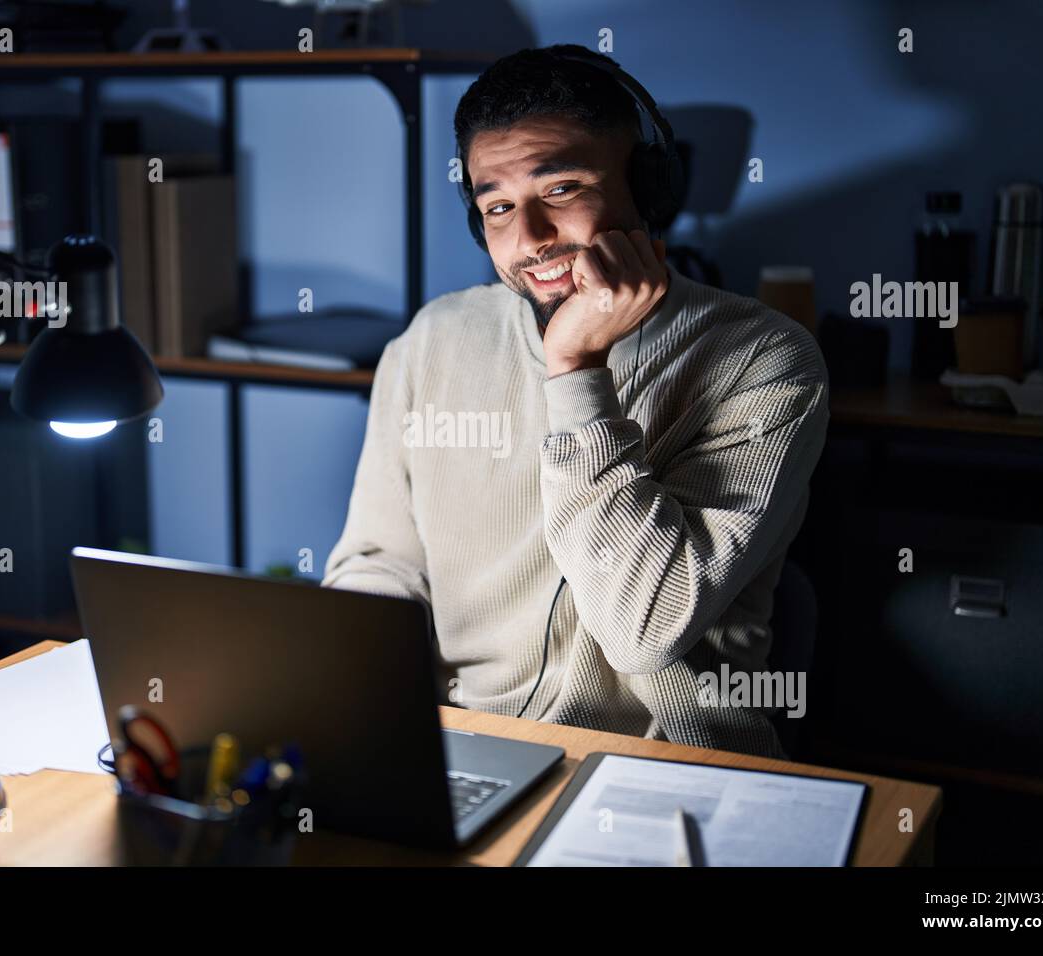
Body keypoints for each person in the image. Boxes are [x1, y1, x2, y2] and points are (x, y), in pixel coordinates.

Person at [324, 45, 828, 758]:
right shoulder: (434, 340)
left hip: (665, 761)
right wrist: (368, 705)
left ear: (649, 192)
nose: (527, 238)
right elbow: (381, 562)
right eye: (496, 206)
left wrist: (577, 369)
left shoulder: (765, 358)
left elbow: (642, 629)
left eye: (560, 189)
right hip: (464, 742)